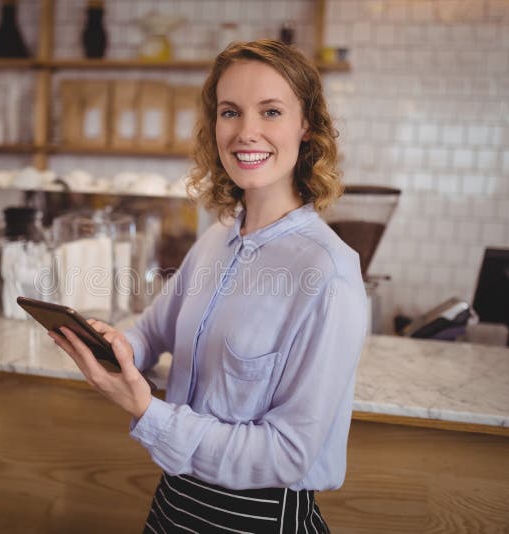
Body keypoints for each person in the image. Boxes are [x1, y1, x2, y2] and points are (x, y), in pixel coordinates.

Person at [49, 40, 367, 534]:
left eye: (271, 111)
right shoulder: (216, 239)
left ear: (307, 126)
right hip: (175, 503)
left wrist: (145, 409)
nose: (246, 132)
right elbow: (153, 333)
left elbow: (286, 453)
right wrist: (111, 347)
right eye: (230, 112)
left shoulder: (330, 272)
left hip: (260, 518)